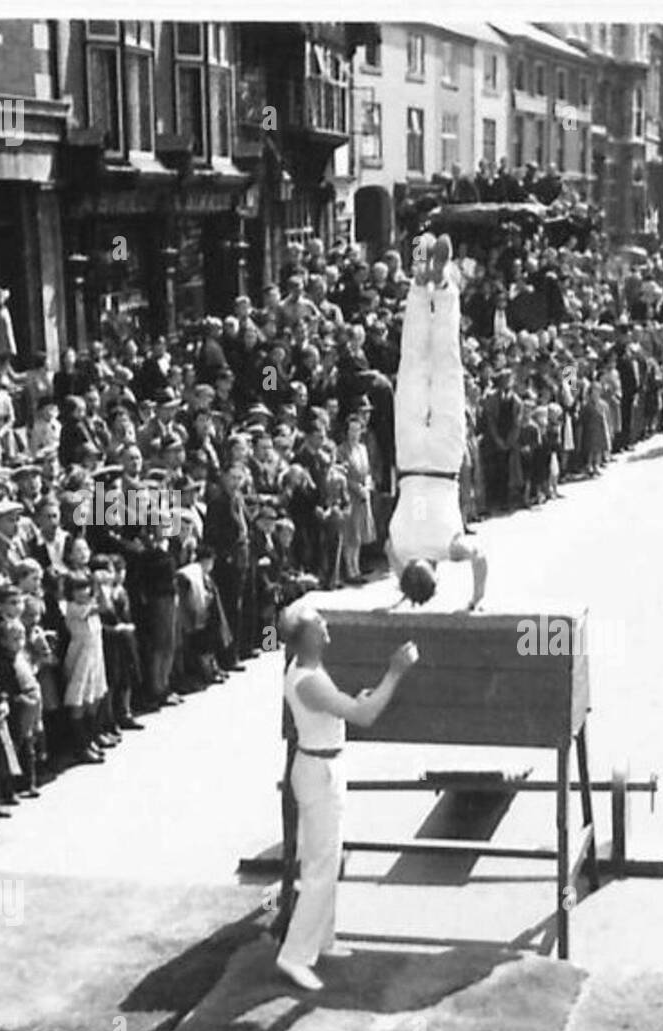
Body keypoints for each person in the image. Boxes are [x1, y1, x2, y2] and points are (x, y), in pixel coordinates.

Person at [277, 605, 418, 989]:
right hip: (319, 773)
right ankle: (294, 956)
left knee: (326, 860)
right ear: (305, 638)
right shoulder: (307, 678)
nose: (325, 627)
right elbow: (365, 715)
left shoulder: (306, 669)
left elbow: (338, 706)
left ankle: (323, 939)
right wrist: (395, 671)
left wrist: (351, 701)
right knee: (321, 868)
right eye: (318, 624)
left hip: (320, 768)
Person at [386, 234, 488, 609]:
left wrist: (475, 600)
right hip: (411, 460)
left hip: (444, 463)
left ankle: (442, 284)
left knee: (446, 367)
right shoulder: (399, 543)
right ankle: (418, 285)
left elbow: (481, 558)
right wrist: (401, 586)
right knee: (413, 365)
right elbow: (389, 553)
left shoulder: (451, 548)